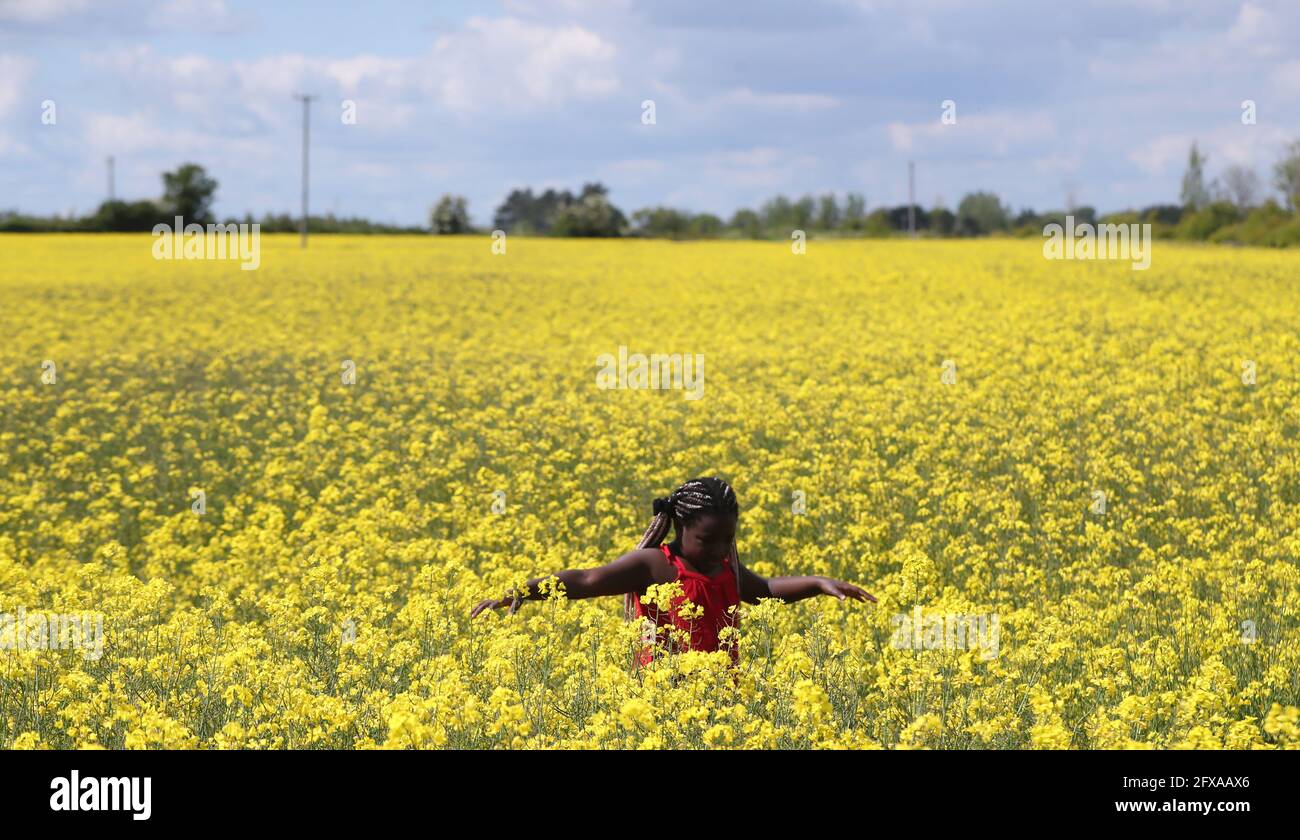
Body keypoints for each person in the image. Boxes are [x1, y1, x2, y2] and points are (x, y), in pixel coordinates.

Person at [469, 476, 876, 666]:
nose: (718, 549)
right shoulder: (655, 565)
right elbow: (585, 580)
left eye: (727, 539)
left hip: (721, 696)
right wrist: (521, 591)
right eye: (707, 540)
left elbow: (765, 589)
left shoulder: (726, 568)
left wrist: (819, 583)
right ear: (681, 529)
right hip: (664, 698)